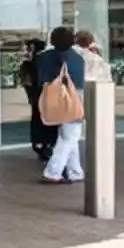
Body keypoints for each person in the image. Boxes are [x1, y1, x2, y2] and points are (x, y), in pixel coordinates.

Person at [34, 26, 85, 184]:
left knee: (68, 136)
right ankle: (53, 172)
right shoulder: (77, 58)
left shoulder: (42, 58)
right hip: (72, 99)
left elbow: (39, 78)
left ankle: (75, 172)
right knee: (70, 137)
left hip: (50, 99)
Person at [18, 39, 55, 161]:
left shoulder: (33, 63)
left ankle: (42, 145)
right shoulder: (46, 61)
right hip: (44, 97)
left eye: (29, 49)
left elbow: (28, 83)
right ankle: (46, 145)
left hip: (38, 97)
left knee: (39, 122)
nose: (27, 52)